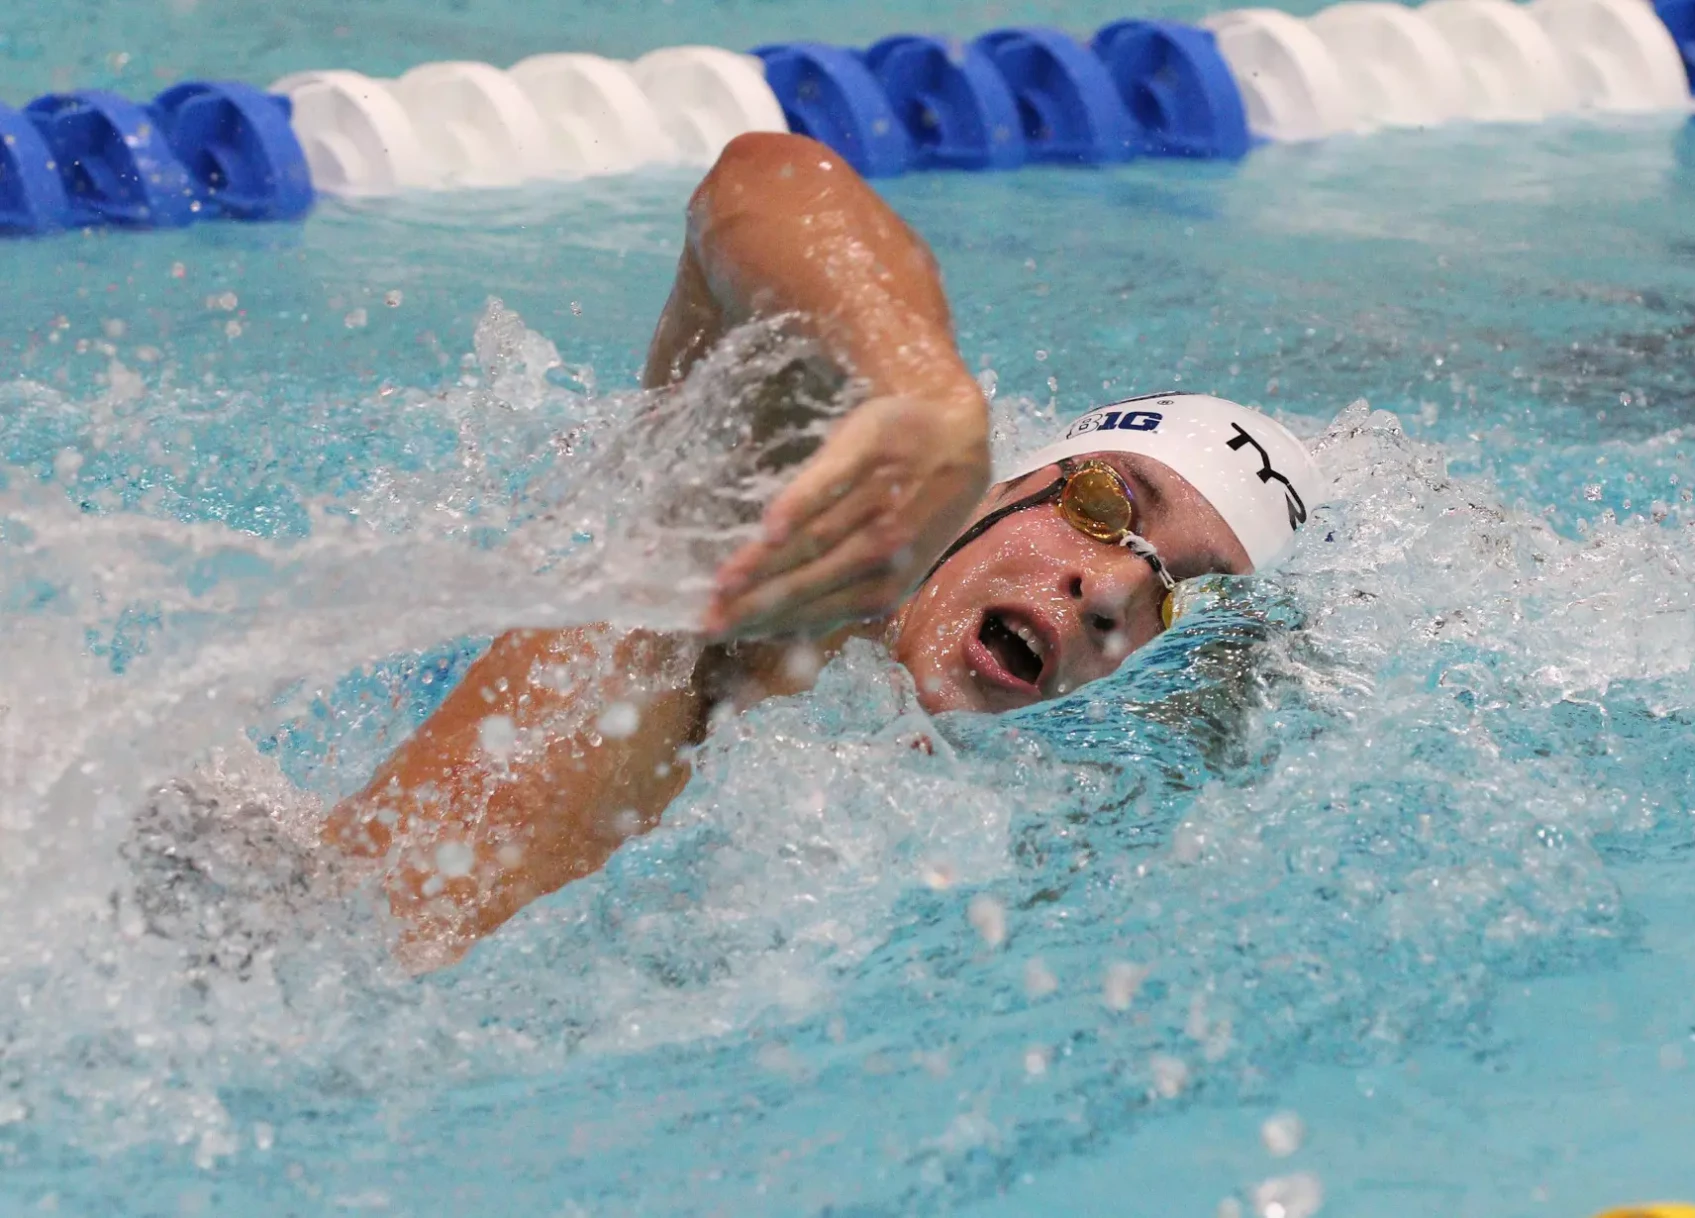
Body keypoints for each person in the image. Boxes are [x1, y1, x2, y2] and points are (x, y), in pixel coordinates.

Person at [324, 132, 1320, 970]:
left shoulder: (949, 832)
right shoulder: (748, 561)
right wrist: (921, 387)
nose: (1107, 588)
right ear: (1000, 481)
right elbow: (762, 181)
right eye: (1102, 504)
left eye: (1176, 593)